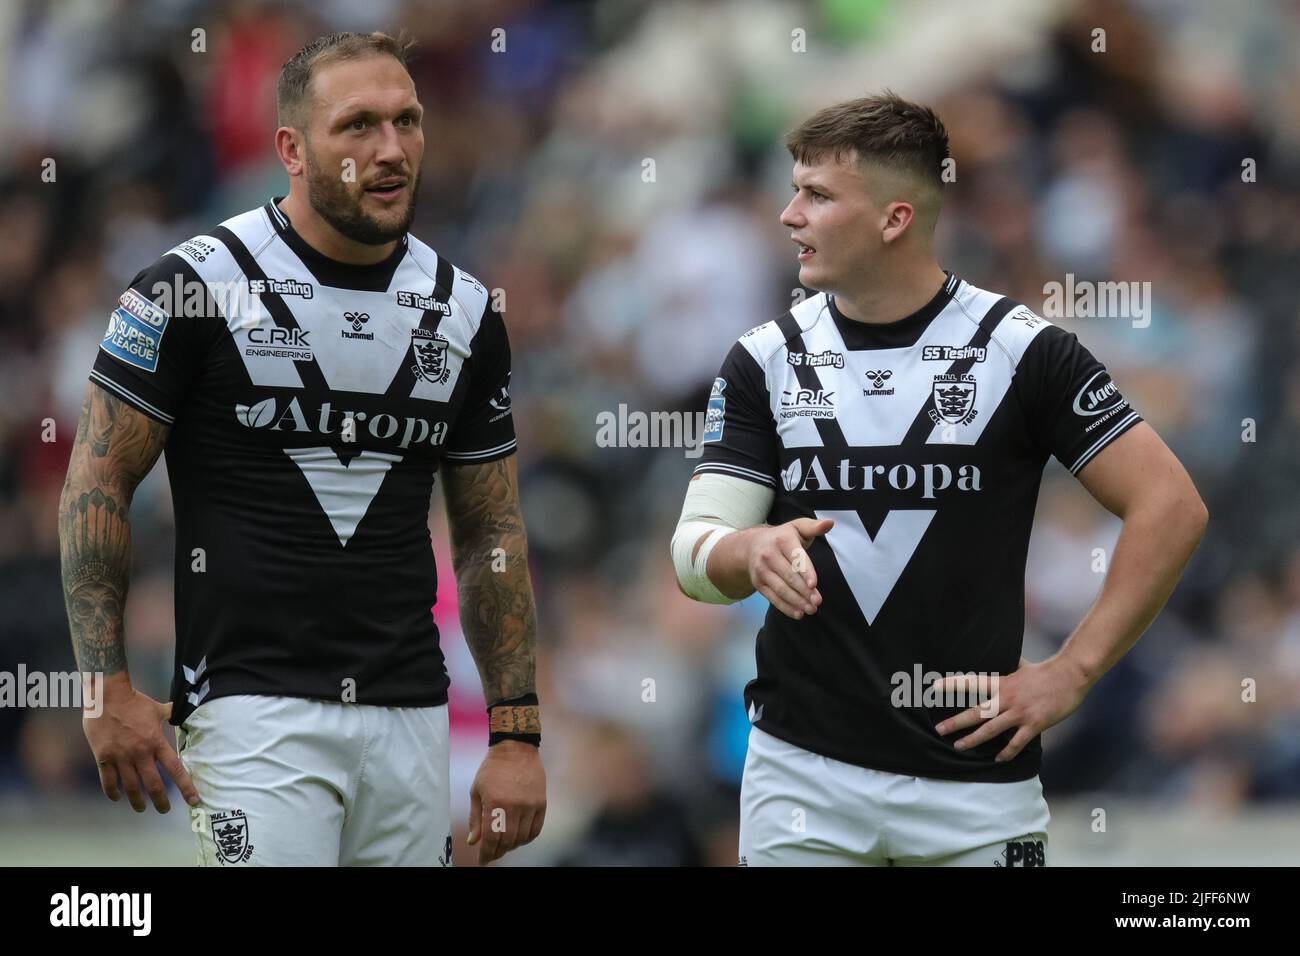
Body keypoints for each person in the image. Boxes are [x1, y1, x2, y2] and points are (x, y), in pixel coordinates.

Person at [670, 91, 1208, 866]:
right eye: (795, 189)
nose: (790, 216)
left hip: (977, 792)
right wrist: (747, 552)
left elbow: (1171, 505)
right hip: (802, 780)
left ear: (896, 219)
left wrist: (1073, 672)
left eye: (817, 195)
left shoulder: (1024, 351)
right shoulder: (762, 358)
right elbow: (695, 554)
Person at [57, 31, 545, 866]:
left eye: (407, 121)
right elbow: (95, 485)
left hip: (413, 714)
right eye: (358, 126)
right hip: (251, 711)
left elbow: (490, 532)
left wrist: (517, 733)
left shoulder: (463, 308)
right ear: (290, 147)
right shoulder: (192, 286)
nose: (390, 150)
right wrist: (103, 688)